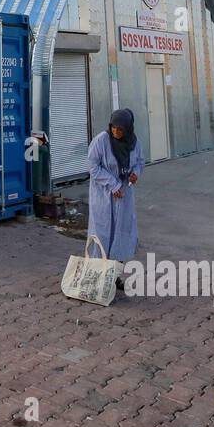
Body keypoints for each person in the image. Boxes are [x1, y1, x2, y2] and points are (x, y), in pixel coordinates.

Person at [87, 109, 145, 294]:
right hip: (104, 197)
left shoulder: (134, 143)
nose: (116, 132)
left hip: (124, 197)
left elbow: (140, 161)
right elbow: (93, 167)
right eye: (113, 127)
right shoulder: (101, 141)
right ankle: (97, 277)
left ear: (128, 129)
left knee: (121, 236)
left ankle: (114, 276)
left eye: (120, 129)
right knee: (102, 235)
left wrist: (135, 173)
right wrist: (113, 184)